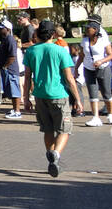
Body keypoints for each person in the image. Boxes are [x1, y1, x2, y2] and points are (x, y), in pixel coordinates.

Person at [23, 20, 84, 177]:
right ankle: (55, 154)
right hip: (58, 94)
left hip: (40, 95)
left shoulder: (31, 51)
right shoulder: (60, 51)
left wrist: (26, 98)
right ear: (53, 34)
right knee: (65, 129)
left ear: (38, 34)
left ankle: (51, 158)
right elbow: (69, 78)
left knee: (48, 129)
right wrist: (77, 99)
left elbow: (28, 77)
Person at [79, 20, 112, 127]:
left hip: (103, 68)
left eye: (88, 28)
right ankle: (95, 117)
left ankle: (110, 114)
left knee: (106, 92)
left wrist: (101, 61)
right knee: (92, 93)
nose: (86, 30)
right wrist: (77, 68)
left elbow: (110, 55)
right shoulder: (84, 41)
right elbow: (82, 55)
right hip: (88, 68)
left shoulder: (103, 40)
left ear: (95, 30)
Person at [0, 19, 24, 119]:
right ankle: (14, 109)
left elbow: (12, 56)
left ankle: (17, 111)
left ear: (7, 29)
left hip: (11, 70)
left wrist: (5, 66)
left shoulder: (10, 40)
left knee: (14, 90)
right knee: (10, 91)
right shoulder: (5, 39)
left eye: (1, 28)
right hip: (6, 69)